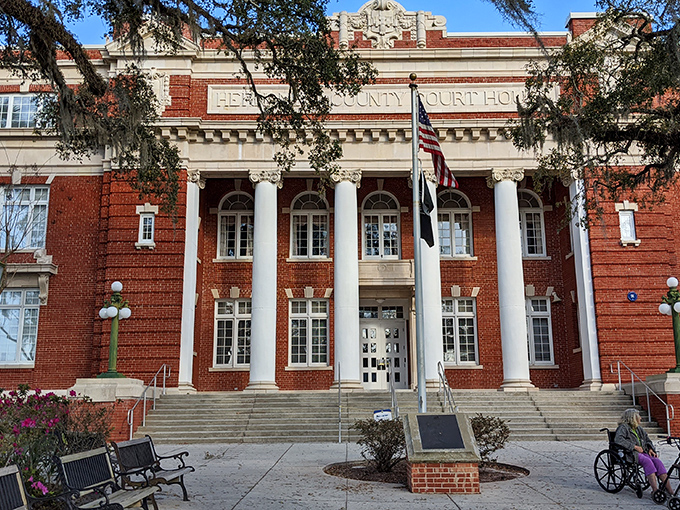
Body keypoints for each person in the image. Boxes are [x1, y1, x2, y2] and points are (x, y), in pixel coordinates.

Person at [614, 408, 673, 496]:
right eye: (639, 416)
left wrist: (650, 449)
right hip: (630, 453)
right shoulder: (623, 428)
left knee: (657, 461)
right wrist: (634, 447)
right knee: (647, 461)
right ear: (633, 418)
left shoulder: (639, 429)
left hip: (643, 452)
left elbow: (647, 440)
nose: (641, 418)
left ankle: (670, 491)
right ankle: (655, 490)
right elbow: (618, 440)